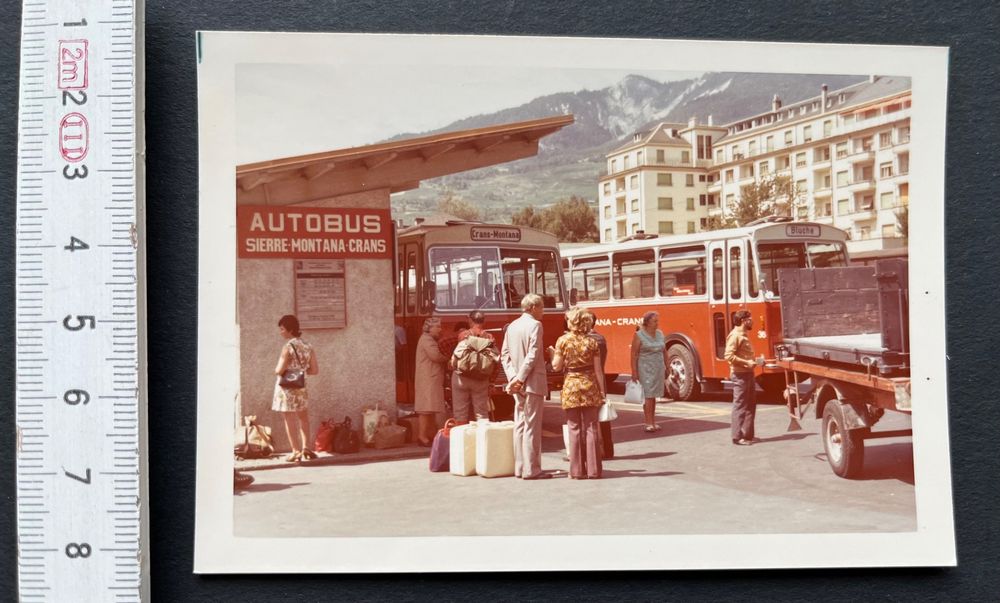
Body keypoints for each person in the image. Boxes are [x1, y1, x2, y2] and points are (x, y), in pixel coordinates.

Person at [550, 307, 606, 479]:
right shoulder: (592, 342)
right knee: (591, 427)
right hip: (589, 385)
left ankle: (576, 471)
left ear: (572, 321)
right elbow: (598, 370)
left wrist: (552, 353)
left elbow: (556, 366)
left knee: (574, 427)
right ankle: (594, 470)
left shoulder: (563, 341)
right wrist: (602, 391)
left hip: (571, 385)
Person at [500, 293, 551, 480]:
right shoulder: (535, 325)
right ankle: (532, 469)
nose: (543, 311)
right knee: (532, 426)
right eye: (542, 307)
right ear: (533, 308)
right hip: (531, 382)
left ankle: (520, 467)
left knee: (520, 424)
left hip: (516, 383)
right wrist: (520, 379)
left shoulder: (512, 326)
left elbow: (504, 355)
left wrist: (513, 378)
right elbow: (533, 355)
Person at [272, 314, 319, 462]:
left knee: (289, 419)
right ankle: (306, 448)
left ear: (290, 330)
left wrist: (282, 369)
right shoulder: (308, 346)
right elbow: (314, 370)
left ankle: (295, 451)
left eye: (282, 329)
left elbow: (279, 370)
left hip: (286, 388)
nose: (281, 332)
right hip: (301, 386)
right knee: (303, 418)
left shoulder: (287, 347)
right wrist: (300, 370)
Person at [449, 311, 497, 423]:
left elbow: (456, 354)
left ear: (470, 320)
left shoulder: (463, 335)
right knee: (482, 413)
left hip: (461, 377)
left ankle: (461, 438)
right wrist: (491, 381)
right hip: (481, 379)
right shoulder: (489, 337)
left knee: (460, 412)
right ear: (484, 321)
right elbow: (495, 361)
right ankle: (483, 439)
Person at [725, 309, 763, 446]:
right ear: (743, 321)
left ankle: (748, 435)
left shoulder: (743, 335)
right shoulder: (735, 336)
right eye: (750, 319)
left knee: (750, 405)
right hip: (740, 374)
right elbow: (728, 356)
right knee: (740, 405)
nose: (752, 321)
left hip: (748, 373)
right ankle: (737, 437)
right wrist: (746, 362)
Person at [630, 311, 669, 433]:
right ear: (647, 322)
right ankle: (648, 423)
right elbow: (634, 354)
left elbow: (664, 351)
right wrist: (634, 372)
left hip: (658, 367)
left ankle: (653, 421)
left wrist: (667, 366)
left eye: (657, 321)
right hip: (645, 368)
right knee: (648, 395)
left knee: (654, 395)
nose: (657, 324)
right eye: (654, 321)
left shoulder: (660, 334)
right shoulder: (639, 335)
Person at [414, 318, 449, 447]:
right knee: (425, 409)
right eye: (438, 327)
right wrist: (449, 356)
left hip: (430, 379)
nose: (440, 330)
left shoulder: (427, 339)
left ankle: (430, 435)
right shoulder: (427, 340)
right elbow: (436, 356)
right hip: (428, 379)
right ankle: (422, 436)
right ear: (430, 328)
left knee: (430, 409)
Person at [586, 311, 614, 459]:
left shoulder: (588, 340)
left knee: (589, 418)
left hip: (589, 381)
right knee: (603, 416)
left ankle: (595, 451)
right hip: (601, 379)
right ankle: (608, 449)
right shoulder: (601, 338)